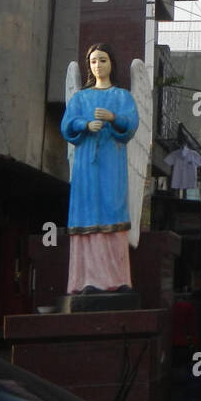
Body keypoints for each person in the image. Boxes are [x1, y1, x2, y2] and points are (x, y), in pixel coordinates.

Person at [61, 43, 138, 292]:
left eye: (102, 60)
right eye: (93, 61)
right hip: (86, 166)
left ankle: (117, 280)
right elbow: (67, 125)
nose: (98, 65)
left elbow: (131, 124)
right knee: (88, 214)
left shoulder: (122, 96)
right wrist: (85, 125)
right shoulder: (80, 97)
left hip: (112, 164)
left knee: (112, 211)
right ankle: (86, 280)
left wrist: (113, 118)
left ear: (111, 63)